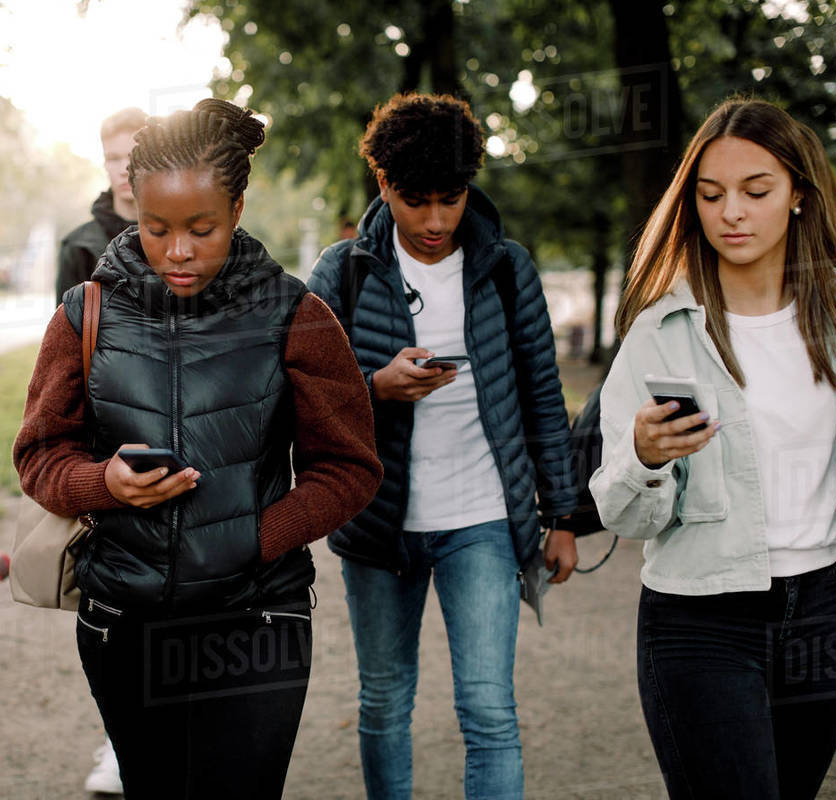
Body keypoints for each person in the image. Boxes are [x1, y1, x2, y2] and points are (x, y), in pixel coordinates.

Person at [14, 98, 382, 799]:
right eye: (156, 229)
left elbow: (350, 469)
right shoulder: (84, 313)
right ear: (134, 211)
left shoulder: (297, 315)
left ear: (238, 208)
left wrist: (253, 535)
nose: (177, 251)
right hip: (125, 623)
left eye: (200, 228)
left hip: (256, 620)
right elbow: (38, 456)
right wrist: (105, 485)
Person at [306, 93, 579, 800]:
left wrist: (565, 517)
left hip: (483, 519)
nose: (434, 220)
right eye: (414, 199)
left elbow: (544, 399)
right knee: (384, 704)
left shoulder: (509, 268)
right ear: (382, 183)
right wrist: (375, 388)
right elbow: (303, 400)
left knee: (489, 711)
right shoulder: (343, 272)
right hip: (377, 525)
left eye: (451, 199)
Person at [590, 98, 836, 799]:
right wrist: (644, 457)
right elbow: (624, 516)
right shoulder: (660, 332)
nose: (731, 211)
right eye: (710, 194)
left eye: (756, 191)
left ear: (797, 196)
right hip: (701, 621)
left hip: (825, 613)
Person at [54, 104, 147, 796]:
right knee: (110, 602)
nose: (124, 165)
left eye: (134, 152)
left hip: (170, 431)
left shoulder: (177, 226)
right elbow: (68, 352)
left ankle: (161, 735)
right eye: (114, 153)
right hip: (103, 443)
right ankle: (119, 740)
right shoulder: (82, 245)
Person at [54, 106, 147, 303]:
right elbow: (65, 330)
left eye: (132, 156)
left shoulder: (176, 239)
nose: (124, 169)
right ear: (104, 163)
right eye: (113, 158)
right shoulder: (78, 247)